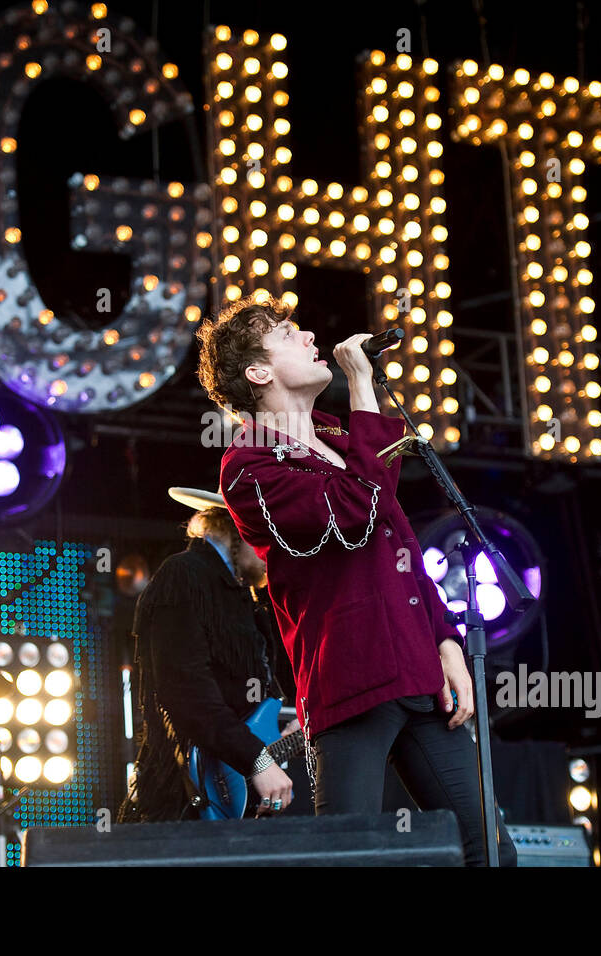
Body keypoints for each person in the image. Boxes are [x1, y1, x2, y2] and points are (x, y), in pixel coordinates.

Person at [196, 295, 517, 865]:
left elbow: (401, 544)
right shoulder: (249, 465)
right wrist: (362, 388)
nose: (310, 337)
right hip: (350, 682)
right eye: (290, 333)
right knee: (352, 857)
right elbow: (356, 512)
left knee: (488, 853)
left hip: (417, 670)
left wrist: (443, 639)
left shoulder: (342, 438)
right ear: (258, 371)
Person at [119, 490, 298, 822]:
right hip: (184, 793)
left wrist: (281, 738)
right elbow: (186, 692)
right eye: (269, 538)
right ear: (240, 526)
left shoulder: (244, 594)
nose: (274, 554)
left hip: (236, 797)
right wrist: (257, 761)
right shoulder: (183, 573)